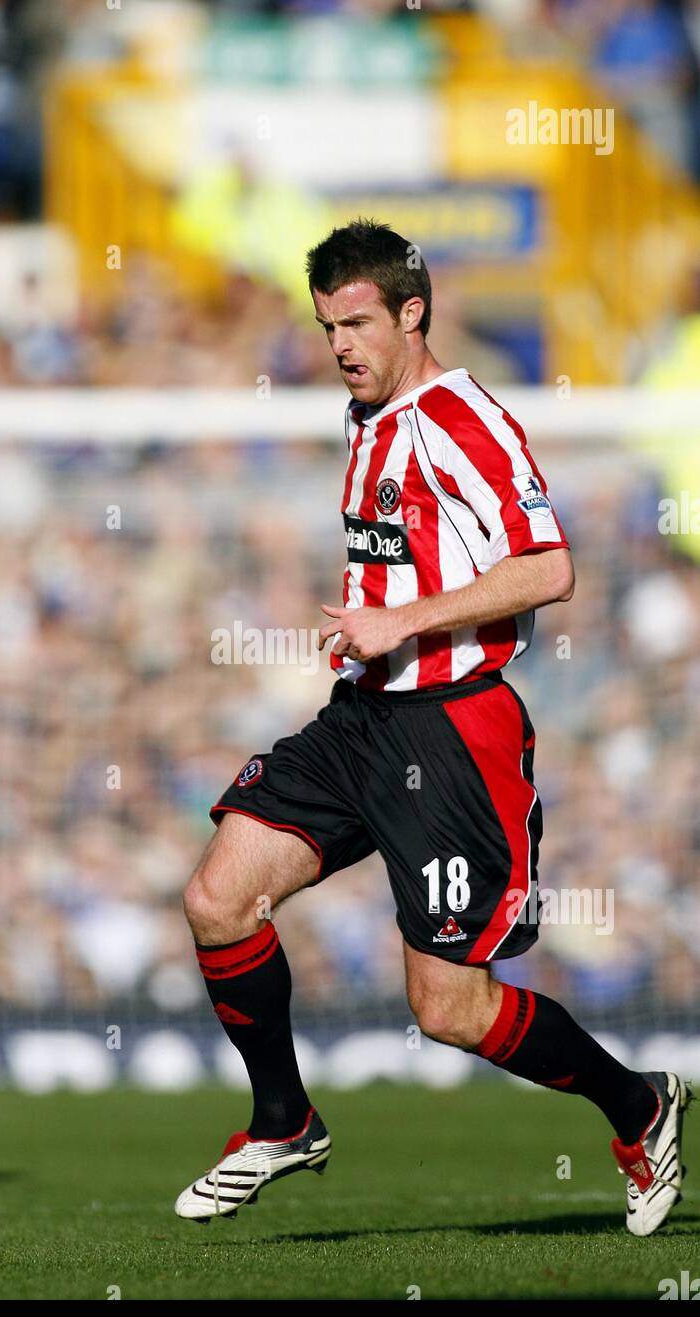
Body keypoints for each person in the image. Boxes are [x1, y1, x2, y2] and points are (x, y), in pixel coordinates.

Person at [175, 219, 691, 1237]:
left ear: (411, 313)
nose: (339, 346)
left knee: (447, 1007)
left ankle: (638, 1104)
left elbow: (547, 568)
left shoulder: (464, 421)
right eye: (327, 327)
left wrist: (397, 619)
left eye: (357, 323)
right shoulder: (366, 411)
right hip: (363, 718)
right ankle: (282, 1120)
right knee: (217, 897)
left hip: (455, 733)